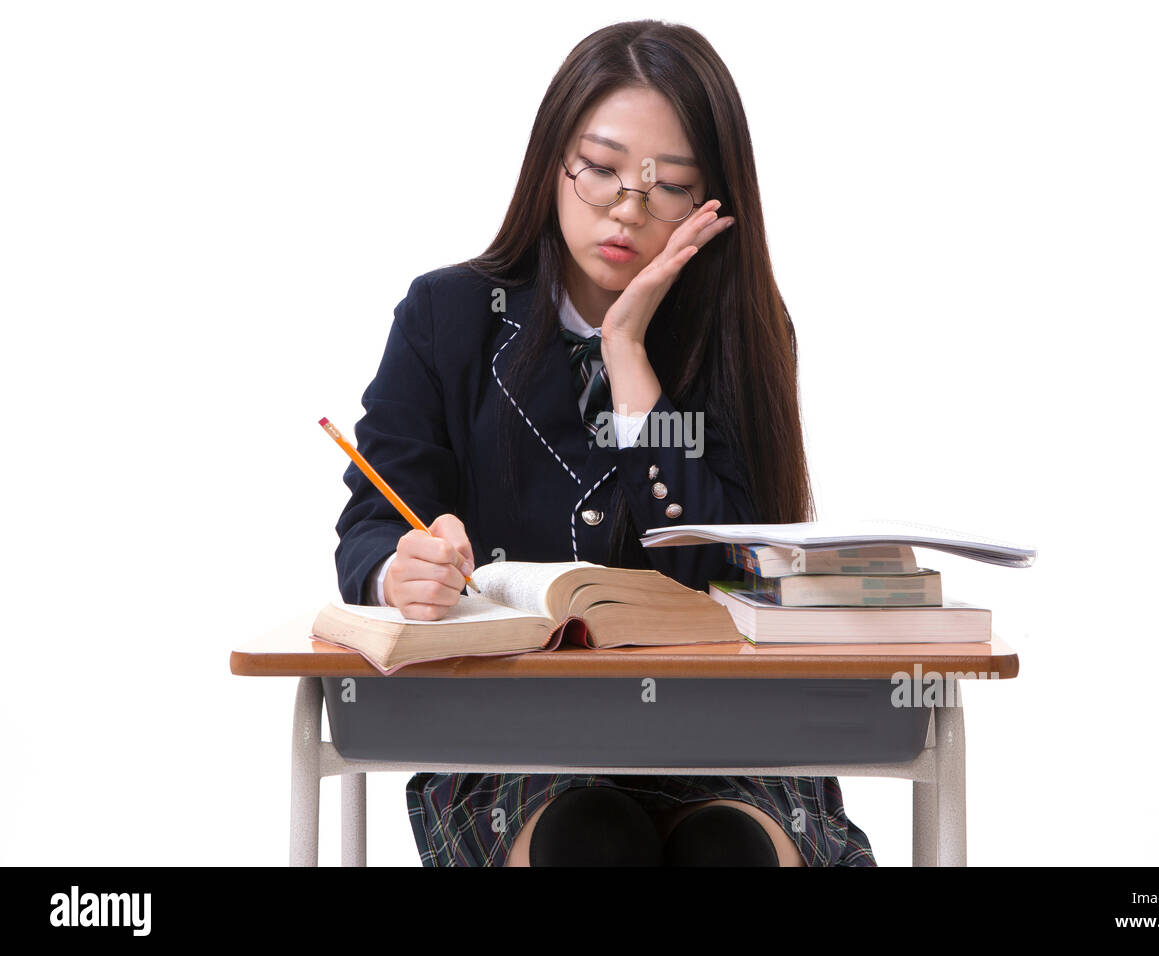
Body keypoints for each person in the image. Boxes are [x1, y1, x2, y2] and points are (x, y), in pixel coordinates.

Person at [332, 18, 877, 867]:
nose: (628, 209)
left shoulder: (742, 335)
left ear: (711, 202)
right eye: (603, 170)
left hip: (722, 736)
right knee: (587, 840)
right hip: (510, 735)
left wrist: (629, 359)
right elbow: (368, 527)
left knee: (729, 848)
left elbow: (736, 569)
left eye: (666, 188)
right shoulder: (447, 318)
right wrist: (397, 568)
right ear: (555, 159)